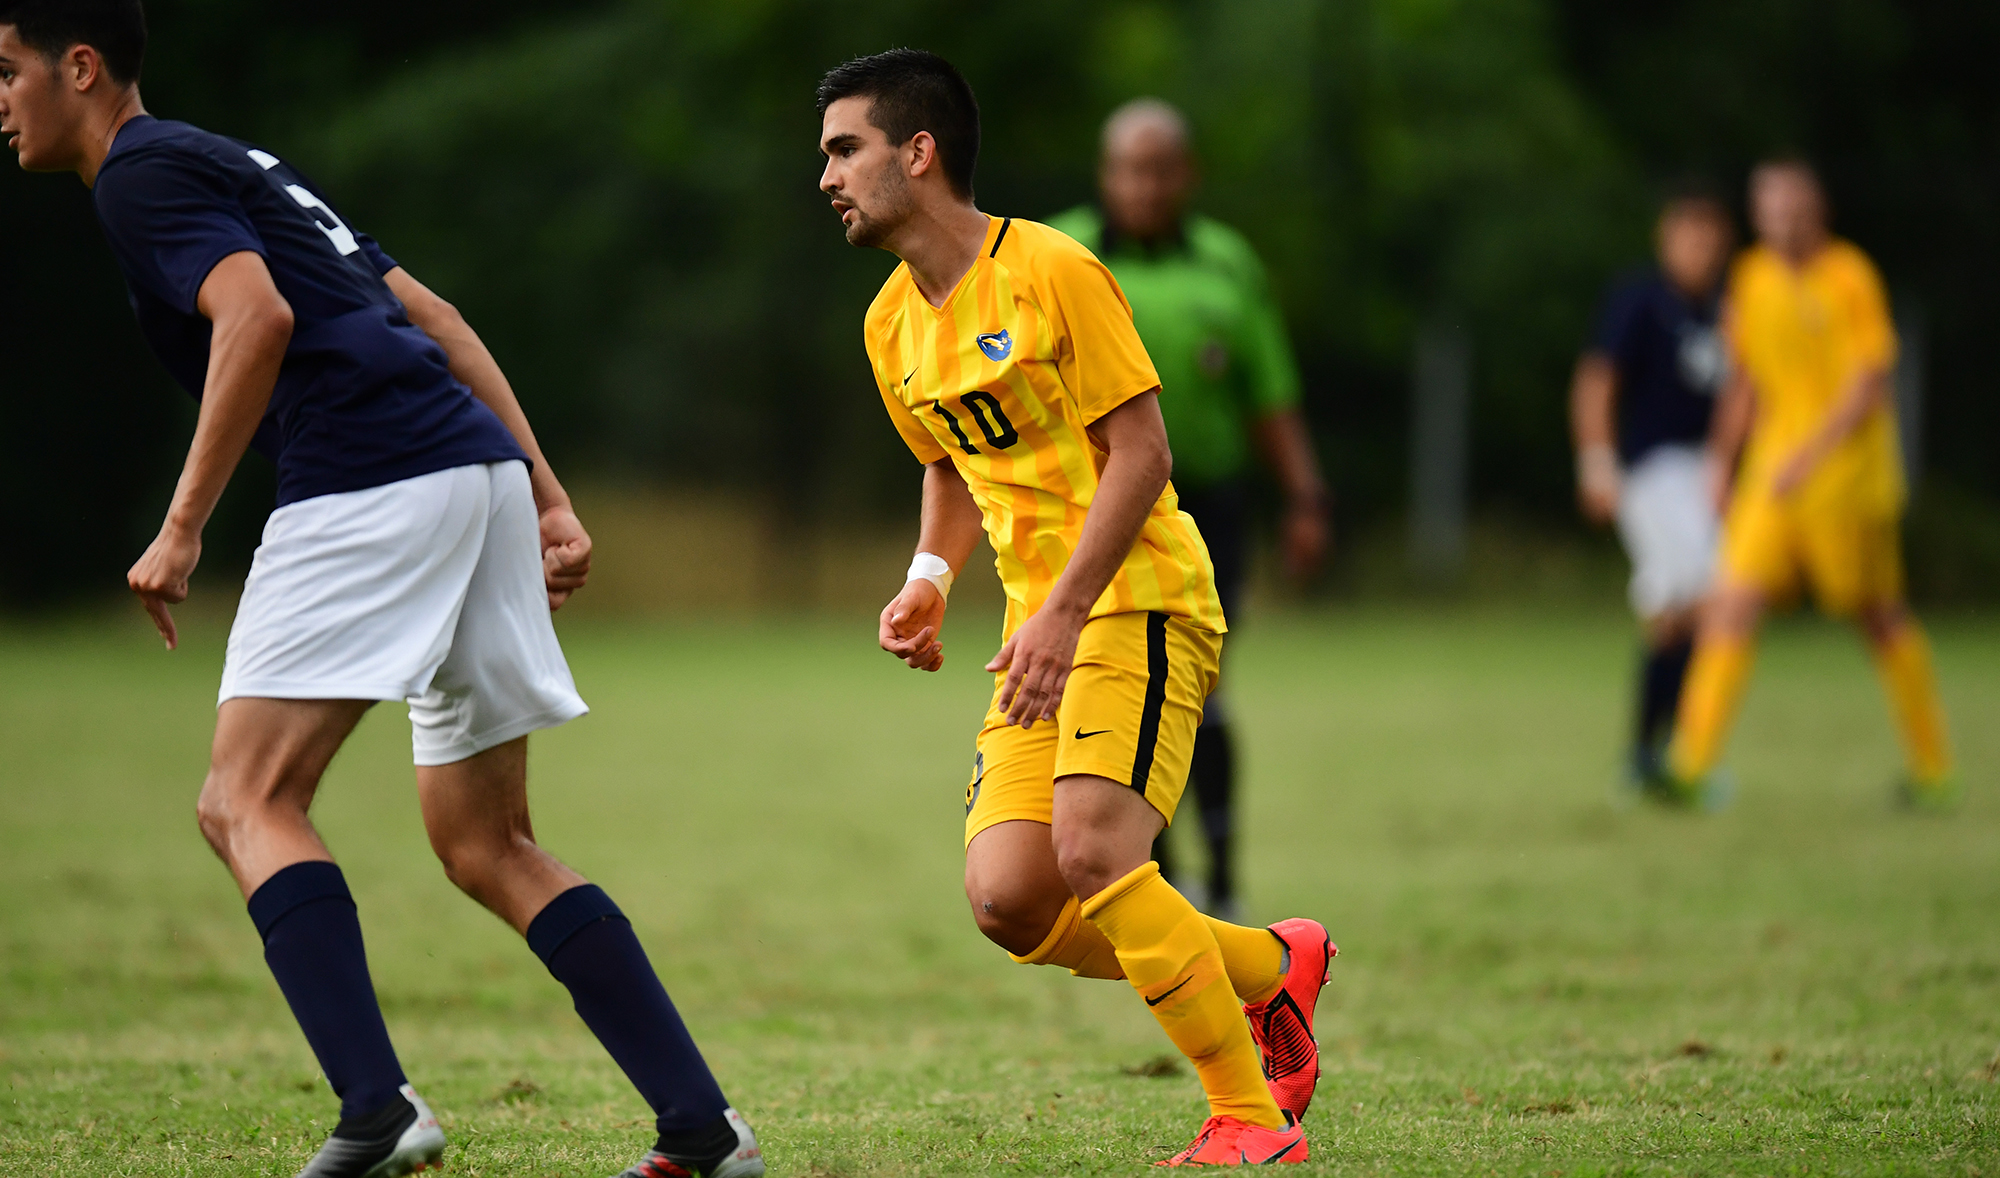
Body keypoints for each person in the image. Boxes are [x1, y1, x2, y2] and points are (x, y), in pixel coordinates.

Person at [0, 4, 763, 1176]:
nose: (0, 100)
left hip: (371, 475)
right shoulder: (235, 159)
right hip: (470, 469)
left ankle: (376, 1104)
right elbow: (437, 319)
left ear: (81, 68)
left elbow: (257, 318)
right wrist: (544, 494)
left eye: (7, 71)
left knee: (241, 797)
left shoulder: (138, 177)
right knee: (487, 839)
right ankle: (701, 1127)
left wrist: (182, 527)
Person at [817, 49, 1335, 1167]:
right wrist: (928, 575)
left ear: (919, 152)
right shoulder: (887, 325)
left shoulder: (1052, 266)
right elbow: (951, 468)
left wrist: (1059, 609)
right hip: (1034, 622)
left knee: (1097, 849)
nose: (827, 176)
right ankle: (1266, 964)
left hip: (1137, 598)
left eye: (844, 148)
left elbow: (1140, 453)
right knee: (1008, 898)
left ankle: (1247, 1117)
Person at [1045, 99, 1329, 919]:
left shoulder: (1228, 265)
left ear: (1188, 175)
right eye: (1130, 169)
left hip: (1204, 509)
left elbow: (1270, 396)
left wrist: (1306, 496)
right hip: (1090, 510)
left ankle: (1228, 877)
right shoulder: (1058, 253)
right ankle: (1163, 875)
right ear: (1106, 175)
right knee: (1109, 689)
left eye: (1161, 168)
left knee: (1202, 692)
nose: (1145, 185)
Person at [1665, 159, 1956, 809]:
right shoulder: (1751, 279)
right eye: (1770, 210)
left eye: (1794, 208)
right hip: (1773, 476)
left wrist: (1811, 453)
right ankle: (1690, 764)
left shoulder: (1850, 277)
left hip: (1848, 479)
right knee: (1731, 602)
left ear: (1819, 209)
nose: (1783, 221)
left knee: (1877, 616)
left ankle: (1934, 768)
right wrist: (1721, 460)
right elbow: (1745, 381)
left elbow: (1868, 381)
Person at [1568, 186, 1732, 788]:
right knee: (1703, 595)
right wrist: (1595, 458)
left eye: (1712, 235)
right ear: (1667, 237)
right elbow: (1596, 378)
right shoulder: (1640, 301)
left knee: (1676, 613)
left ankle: (1655, 755)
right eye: (1691, 234)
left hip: (1712, 473)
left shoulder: (1728, 304)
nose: (1702, 248)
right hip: (1655, 472)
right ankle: (1662, 755)